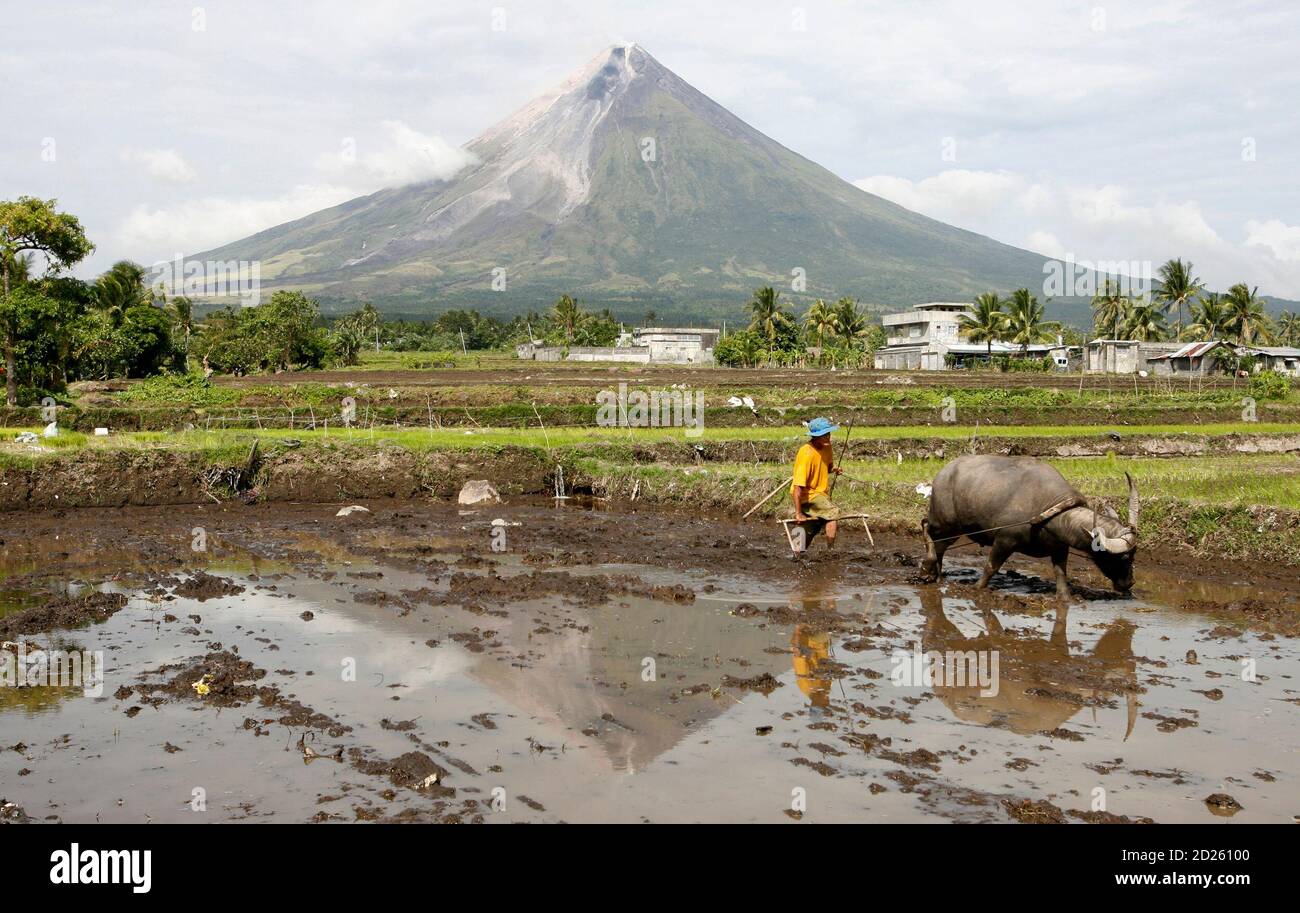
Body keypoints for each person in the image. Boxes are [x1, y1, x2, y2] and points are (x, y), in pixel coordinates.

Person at [790, 416, 843, 551]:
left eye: (828, 434)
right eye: (824, 435)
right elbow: (797, 487)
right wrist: (798, 513)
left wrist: (834, 469)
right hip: (808, 495)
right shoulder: (806, 453)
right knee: (832, 512)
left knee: (811, 528)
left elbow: (827, 466)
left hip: (820, 495)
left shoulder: (827, 447)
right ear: (815, 437)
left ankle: (796, 555)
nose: (828, 437)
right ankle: (831, 552)